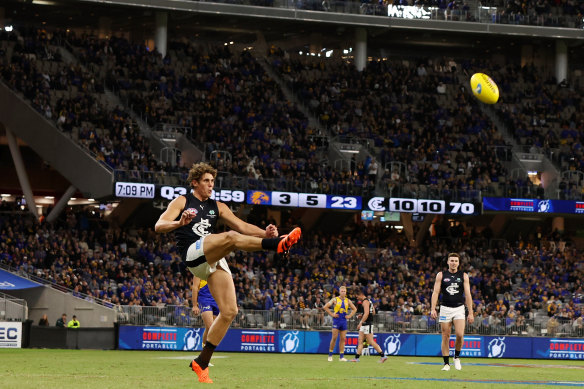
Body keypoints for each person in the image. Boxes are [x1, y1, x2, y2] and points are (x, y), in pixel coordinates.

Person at [155, 162, 301, 384]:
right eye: (206, 181)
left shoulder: (218, 206)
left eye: (213, 181)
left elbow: (242, 226)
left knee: (230, 311)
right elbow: (159, 225)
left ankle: (201, 362)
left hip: (212, 256)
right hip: (192, 253)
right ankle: (277, 245)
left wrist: (264, 231)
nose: (210, 185)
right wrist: (179, 222)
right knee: (231, 238)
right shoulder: (182, 201)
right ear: (195, 182)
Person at [430, 252, 475, 371]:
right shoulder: (441, 275)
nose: (454, 263)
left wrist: (470, 312)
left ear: (459, 263)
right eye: (452, 260)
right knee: (445, 336)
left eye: (456, 261)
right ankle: (446, 364)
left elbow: (468, 294)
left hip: (459, 308)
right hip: (445, 308)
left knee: (460, 334)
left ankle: (456, 357)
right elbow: (435, 292)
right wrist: (432, 308)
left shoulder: (464, 275)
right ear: (448, 262)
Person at [349, 288, 387, 363]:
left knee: (371, 341)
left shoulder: (365, 302)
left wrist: (361, 322)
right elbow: (373, 312)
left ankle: (383, 356)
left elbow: (367, 313)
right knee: (360, 341)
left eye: (357, 296)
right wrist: (362, 315)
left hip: (367, 324)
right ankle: (356, 358)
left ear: (360, 295)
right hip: (365, 324)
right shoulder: (369, 301)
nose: (357, 298)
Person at [323, 285, 357, 362]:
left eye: (344, 291)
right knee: (334, 338)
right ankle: (330, 355)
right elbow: (325, 307)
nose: (343, 292)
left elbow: (355, 309)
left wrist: (350, 316)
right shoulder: (335, 299)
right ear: (339, 292)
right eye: (342, 291)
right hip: (336, 321)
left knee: (343, 339)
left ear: (346, 292)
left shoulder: (348, 300)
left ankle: (341, 357)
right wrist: (332, 314)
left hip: (344, 321)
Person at [192, 275, 218, 367]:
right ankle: (204, 356)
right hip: (204, 299)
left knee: (211, 328)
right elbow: (195, 287)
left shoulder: (215, 270)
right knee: (210, 326)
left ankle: (205, 357)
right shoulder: (199, 271)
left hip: (216, 299)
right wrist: (195, 305)